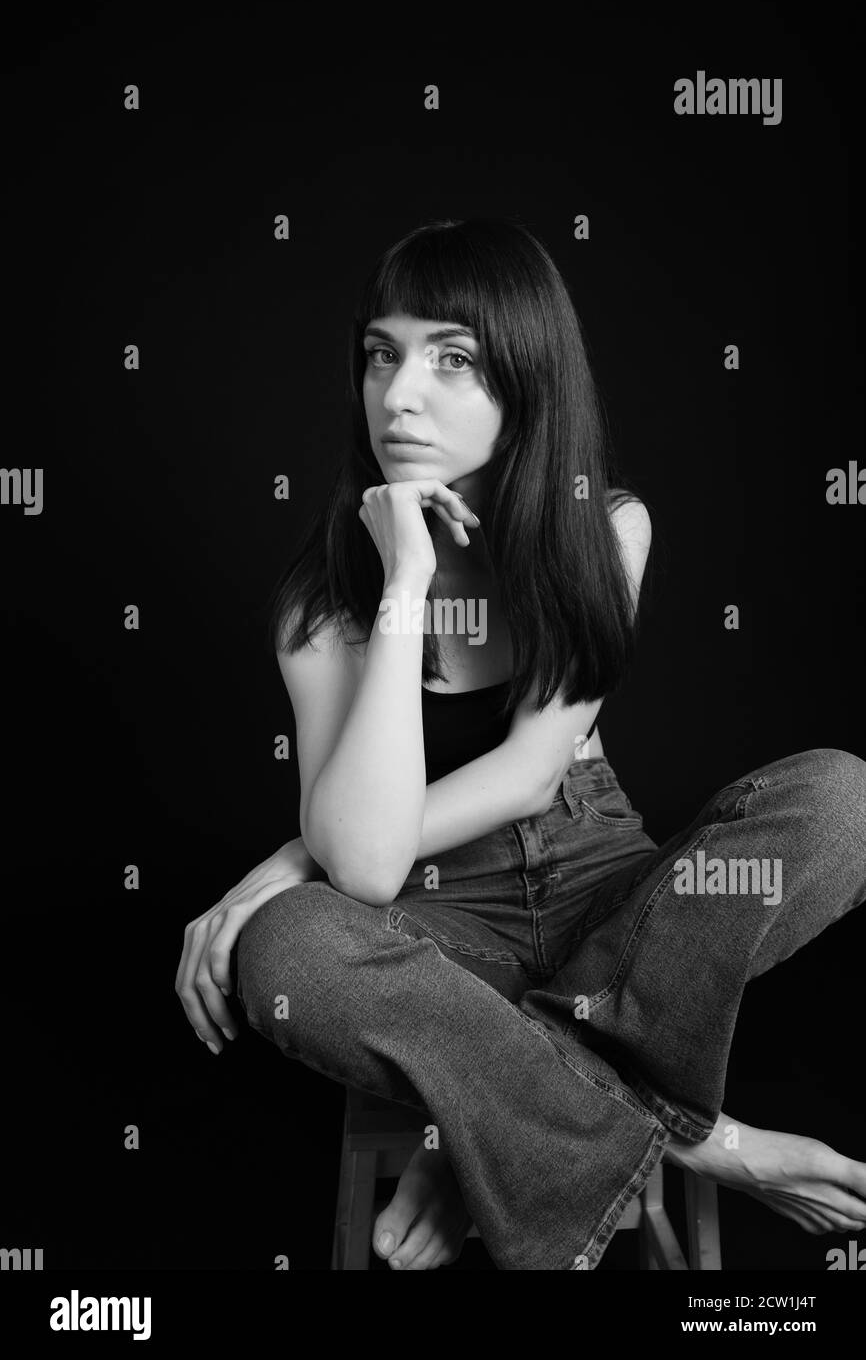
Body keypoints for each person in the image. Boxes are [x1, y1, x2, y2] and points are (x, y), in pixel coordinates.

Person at [175, 217, 866, 1270]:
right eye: (380, 352)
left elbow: (532, 769)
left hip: (611, 888)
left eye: (451, 358)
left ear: (527, 380)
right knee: (291, 947)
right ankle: (696, 1144)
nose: (398, 392)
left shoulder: (606, 531)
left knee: (840, 797)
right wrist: (403, 580)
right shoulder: (321, 610)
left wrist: (285, 858)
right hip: (437, 918)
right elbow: (366, 866)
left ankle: (486, 1130)